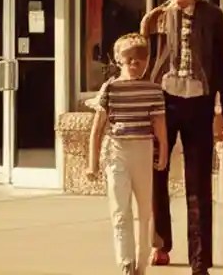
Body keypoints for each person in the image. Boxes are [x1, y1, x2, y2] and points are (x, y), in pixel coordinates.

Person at [142, 0, 223, 275]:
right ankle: (161, 243)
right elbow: (144, 62)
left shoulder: (213, 16)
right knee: (158, 172)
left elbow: (222, 66)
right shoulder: (156, 17)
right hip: (164, 102)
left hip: (200, 102)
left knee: (198, 182)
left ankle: (200, 260)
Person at [87, 33, 169, 275]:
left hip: (142, 150)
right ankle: (125, 263)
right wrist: (92, 163)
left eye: (141, 59)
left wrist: (162, 151)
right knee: (120, 211)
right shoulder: (110, 88)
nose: (135, 64)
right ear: (118, 60)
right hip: (116, 151)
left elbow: (160, 126)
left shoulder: (153, 90)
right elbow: (97, 128)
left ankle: (140, 266)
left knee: (144, 212)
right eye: (129, 59)